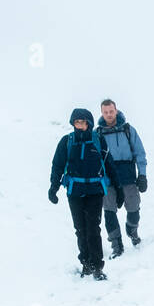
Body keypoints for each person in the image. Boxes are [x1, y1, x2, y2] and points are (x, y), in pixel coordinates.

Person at [49, 108, 119, 280]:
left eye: (83, 122)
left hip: (95, 192)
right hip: (75, 192)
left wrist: (118, 188)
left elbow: (109, 164)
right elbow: (57, 165)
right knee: (80, 230)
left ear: (89, 123)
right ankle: (85, 264)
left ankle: (97, 267)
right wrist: (53, 187)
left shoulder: (98, 140)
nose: (80, 125)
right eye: (77, 122)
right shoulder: (67, 141)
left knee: (93, 229)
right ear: (73, 123)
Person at [96, 99, 148, 257]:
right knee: (109, 211)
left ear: (116, 111)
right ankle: (116, 244)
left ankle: (132, 230)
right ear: (102, 113)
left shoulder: (128, 130)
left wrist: (143, 175)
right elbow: (94, 158)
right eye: (105, 112)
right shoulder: (97, 133)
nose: (109, 115)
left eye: (111, 111)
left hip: (128, 176)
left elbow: (140, 153)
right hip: (108, 179)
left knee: (134, 209)